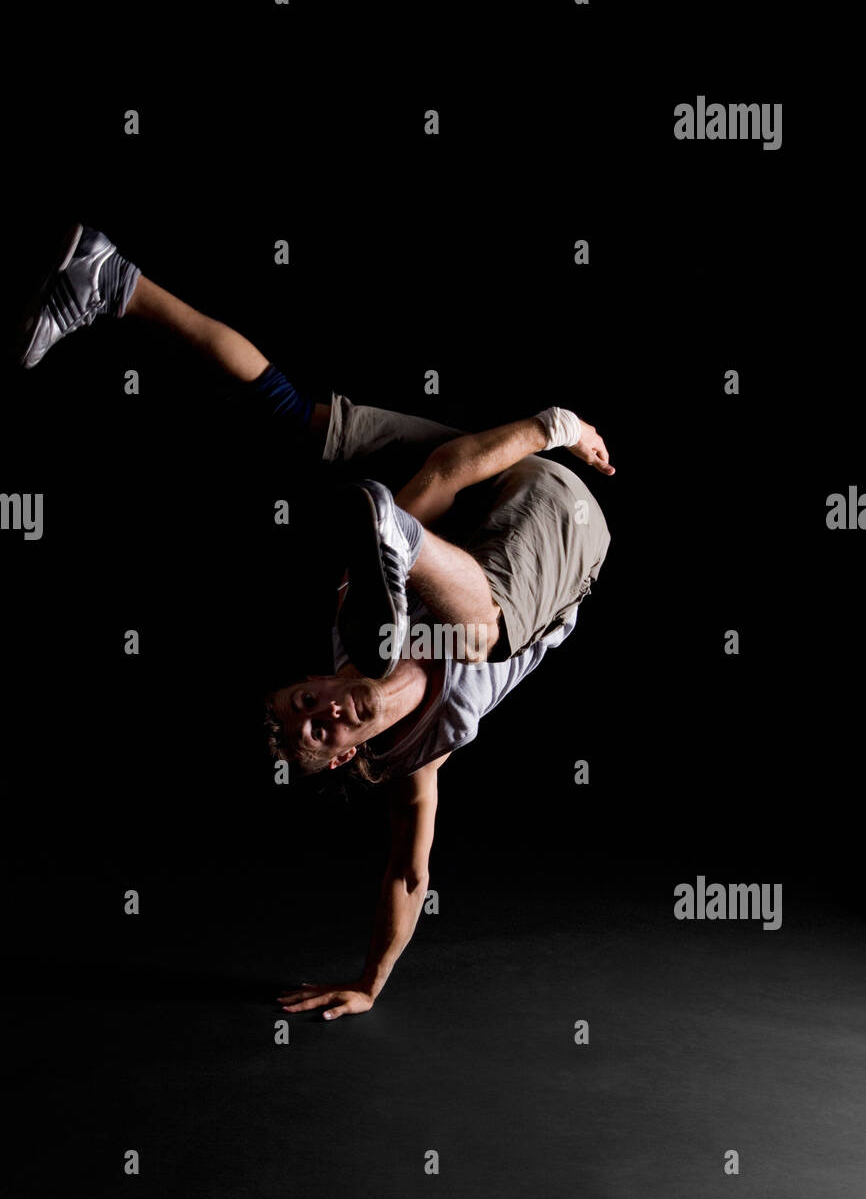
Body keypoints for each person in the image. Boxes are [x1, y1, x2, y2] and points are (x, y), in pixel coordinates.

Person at [19, 222, 615, 1020]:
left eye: (308, 703)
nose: (328, 711)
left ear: (313, 677)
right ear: (344, 758)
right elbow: (408, 876)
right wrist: (371, 982)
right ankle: (405, 535)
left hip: (498, 482)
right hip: (563, 541)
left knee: (297, 419)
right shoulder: (414, 757)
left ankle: (114, 280)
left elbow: (443, 471)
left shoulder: (352, 613)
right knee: (478, 634)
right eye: (324, 731)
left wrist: (555, 427)